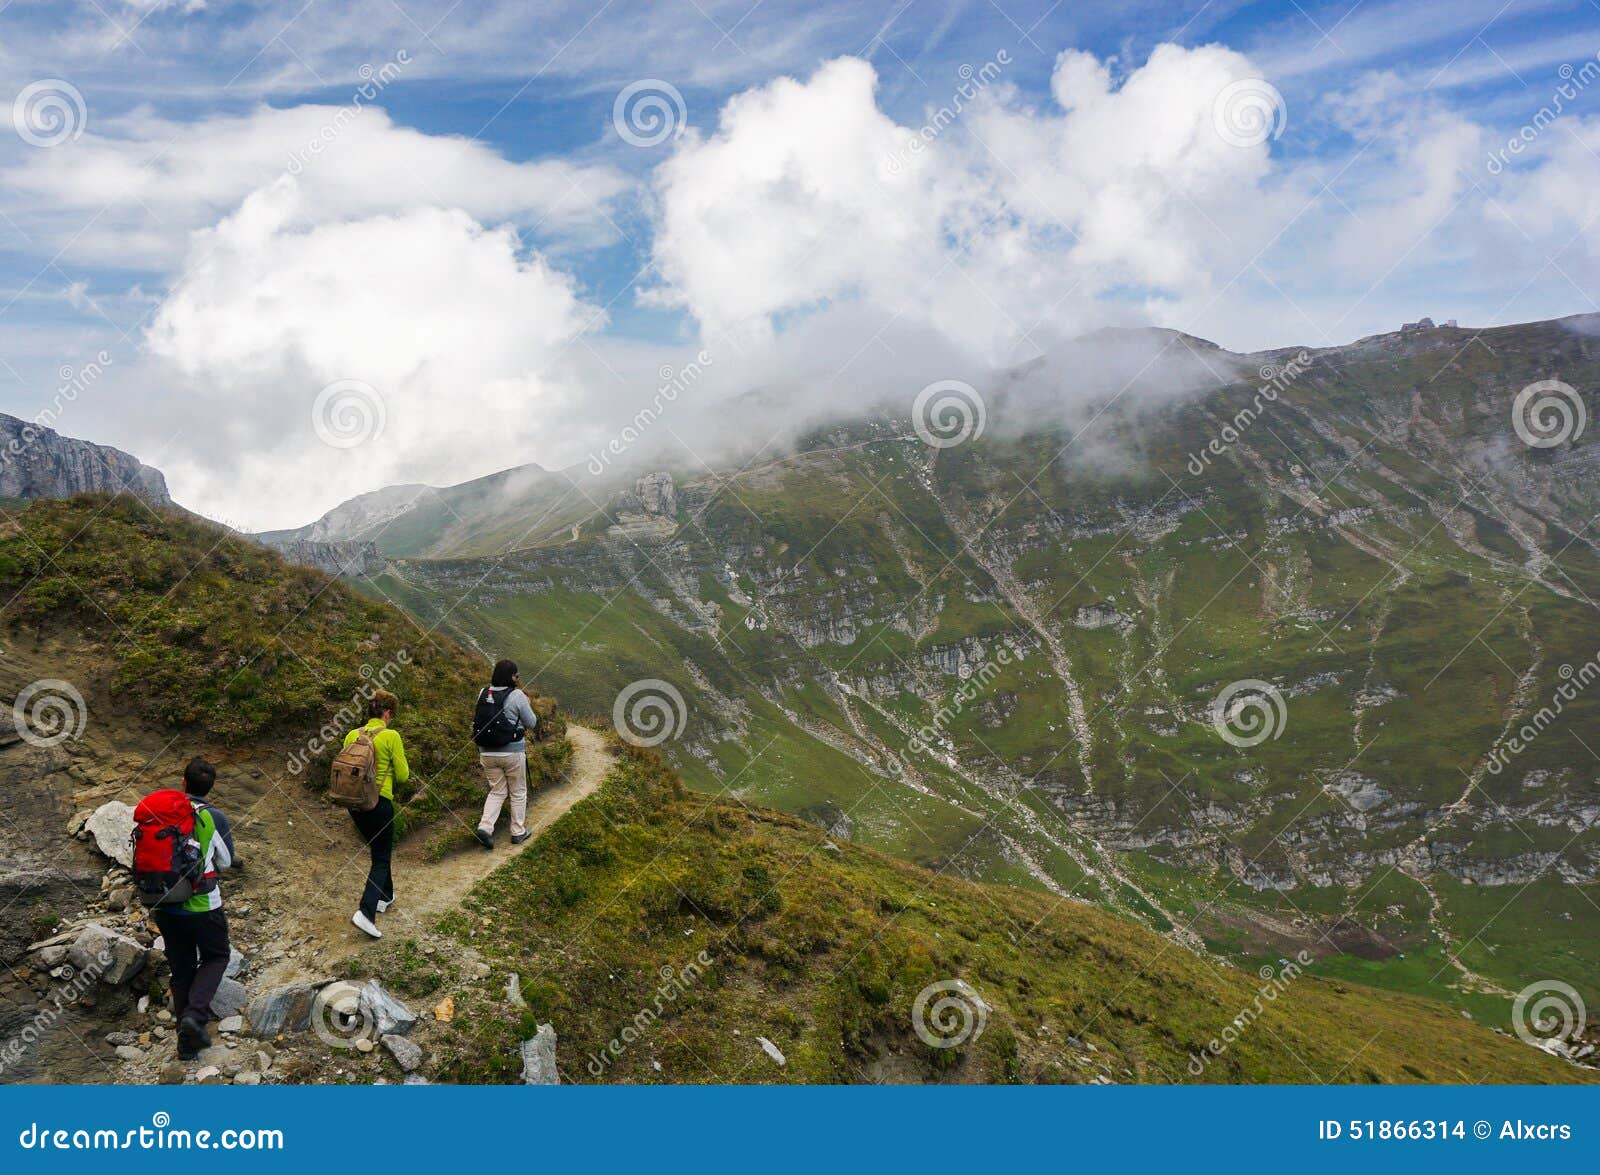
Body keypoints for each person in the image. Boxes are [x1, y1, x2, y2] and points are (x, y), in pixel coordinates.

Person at [151, 756, 235, 1061]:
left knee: (181, 968)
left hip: (162, 903)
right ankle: (195, 1016)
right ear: (210, 788)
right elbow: (226, 860)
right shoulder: (212, 817)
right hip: (202, 905)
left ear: (183, 783)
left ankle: (185, 1045)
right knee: (216, 956)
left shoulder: (161, 813)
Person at [342, 689, 409, 939]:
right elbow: (403, 776)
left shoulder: (352, 734)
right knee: (380, 858)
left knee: (379, 849)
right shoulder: (390, 736)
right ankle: (365, 912)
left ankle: (385, 896)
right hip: (379, 803)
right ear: (388, 713)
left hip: (354, 804)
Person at [472, 659, 539, 849]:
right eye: (516, 676)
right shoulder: (517, 695)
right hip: (512, 752)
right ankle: (518, 831)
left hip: (486, 752)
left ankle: (485, 828)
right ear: (512, 676)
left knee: (497, 790)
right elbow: (532, 722)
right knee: (518, 791)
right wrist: (527, 703)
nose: (517, 679)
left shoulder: (483, 693)